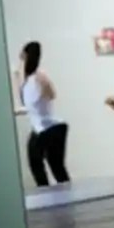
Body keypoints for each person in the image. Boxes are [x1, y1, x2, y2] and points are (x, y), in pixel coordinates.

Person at [16, 41, 70, 186]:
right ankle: (50, 194)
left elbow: (52, 95)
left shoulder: (40, 76)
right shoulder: (26, 82)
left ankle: (56, 194)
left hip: (50, 127)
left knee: (48, 164)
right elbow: (25, 103)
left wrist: (45, 86)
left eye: (22, 58)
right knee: (47, 164)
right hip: (45, 128)